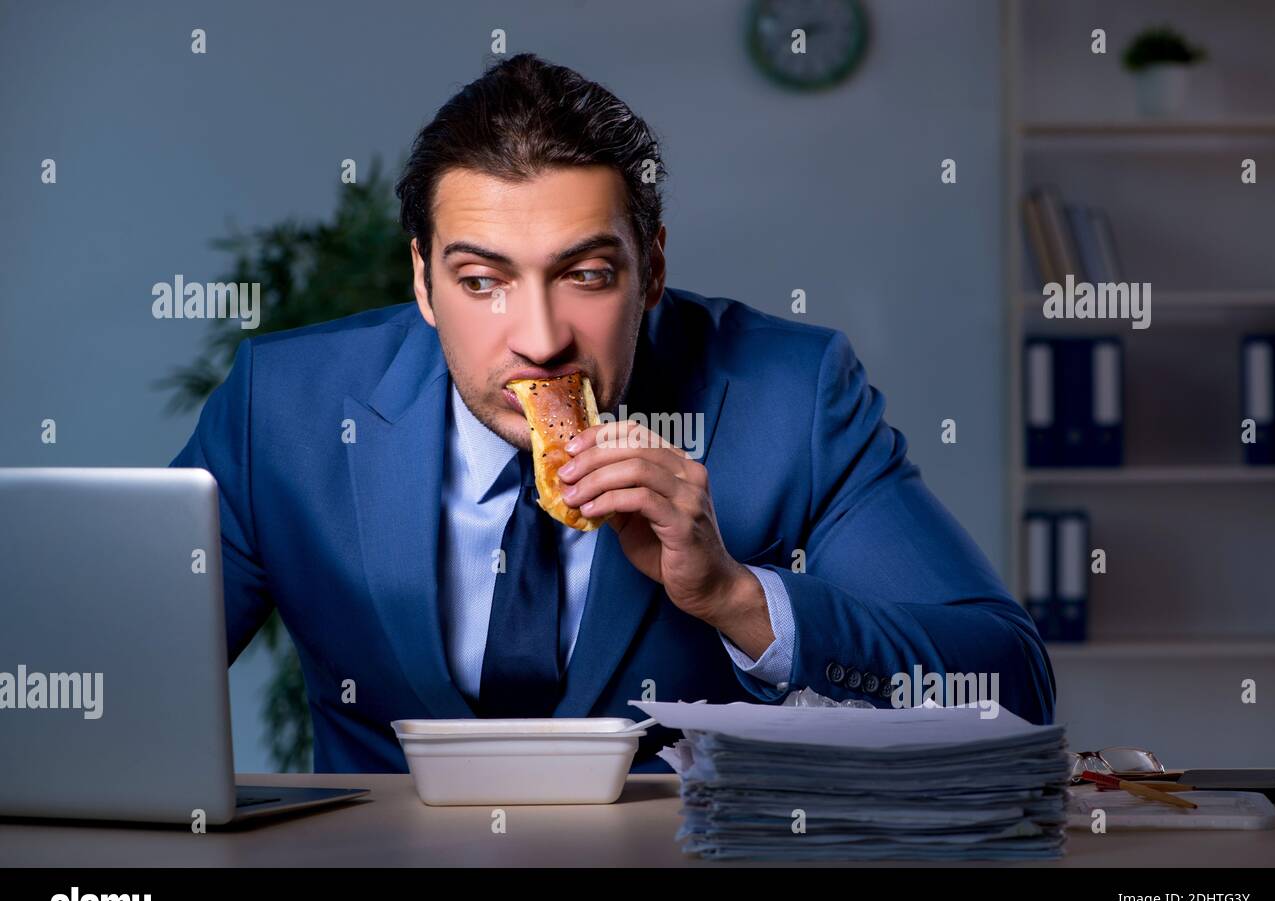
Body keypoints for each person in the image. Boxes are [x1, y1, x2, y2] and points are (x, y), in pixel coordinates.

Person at [171, 53, 1054, 773]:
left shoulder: (793, 397)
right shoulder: (280, 410)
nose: (541, 339)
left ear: (652, 269)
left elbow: (1009, 685)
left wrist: (738, 598)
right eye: (482, 282)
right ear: (422, 282)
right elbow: (117, 675)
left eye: (586, 275)